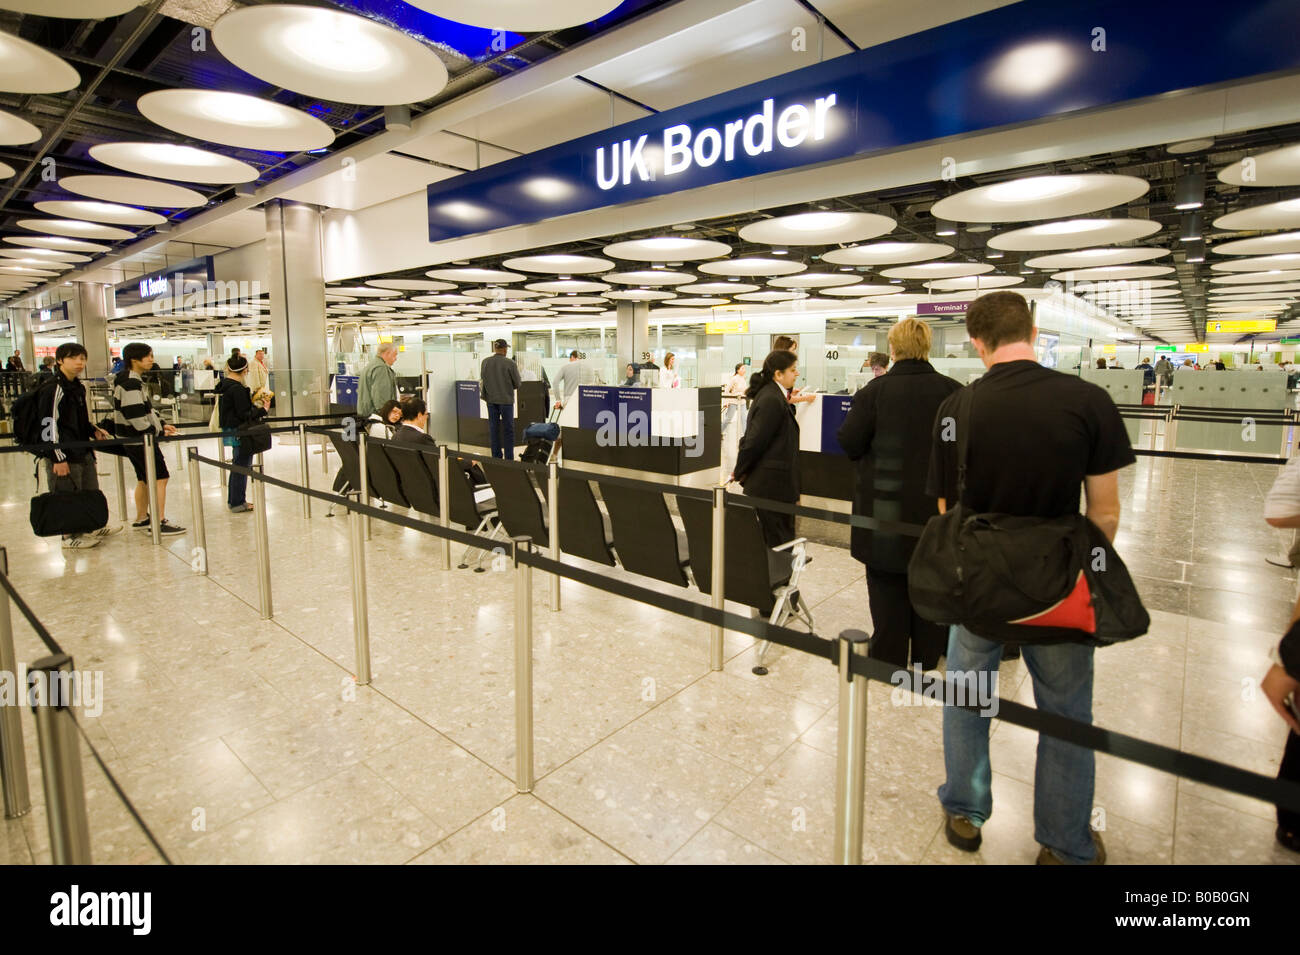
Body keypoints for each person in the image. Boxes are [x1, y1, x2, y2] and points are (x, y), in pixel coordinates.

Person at [926, 291, 1134, 865]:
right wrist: (1077, 573)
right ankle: (1065, 843)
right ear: (1034, 331)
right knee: (1067, 715)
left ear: (976, 340)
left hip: (978, 588)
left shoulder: (955, 409)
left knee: (967, 697)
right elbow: (1107, 512)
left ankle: (965, 812)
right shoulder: (1089, 402)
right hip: (1059, 589)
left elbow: (947, 510)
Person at [838, 319, 961, 671]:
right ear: (927, 348)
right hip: (935, 514)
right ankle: (925, 655)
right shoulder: (953, 392)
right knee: (931, 583)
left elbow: (849, 442)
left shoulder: (874, 393)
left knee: (886, 583)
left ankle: (889, 657)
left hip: (883, 513)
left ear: (892, 350)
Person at [39, 343, 119, 549]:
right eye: (73, 358)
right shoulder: (53, 387)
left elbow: (80, 418)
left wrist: (93, 430)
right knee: (66, 493)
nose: (79, 363)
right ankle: (68, 536)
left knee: (89, 489)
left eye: (82, 358)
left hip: (82, 449)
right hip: (63, 451)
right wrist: (57, 457)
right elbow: (48, 423)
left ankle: (89, 526)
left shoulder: (77, 386)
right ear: (59, 361)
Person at [113, 342, 184, 534]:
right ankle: (159, 522)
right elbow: (135, 416)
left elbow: (145, 410)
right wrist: (156, 432)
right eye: (148, 356)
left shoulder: (130, 380)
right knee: (160, 477)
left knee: (144, 478)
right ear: (134, 360)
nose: (152, 360)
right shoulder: (131, 384)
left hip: (134, 439)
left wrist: (160, 424)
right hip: (140, 440)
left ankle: (142, 517)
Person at [734, 350, 801, 547]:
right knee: (777, 544)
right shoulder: (771, 398)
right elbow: (754, 441)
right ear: (778, 374)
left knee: (776, 543)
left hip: (774, 486)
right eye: (792, 370)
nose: (796, 374)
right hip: (771, 487)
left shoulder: (775, 395)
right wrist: (739, 471)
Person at [215, 354, 269, 513]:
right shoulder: (237, 389)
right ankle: (238, 502)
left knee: (238, 464)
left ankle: (235, 500)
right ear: (245, 370)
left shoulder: (225, 385)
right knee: (242, 465)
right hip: (240, 430)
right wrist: (262, 410)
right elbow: (244, 413)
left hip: (232, 429)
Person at [479, 338, 520, 459]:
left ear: (495, 349)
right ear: (504, 349)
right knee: (508, 430)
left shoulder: (485, 362)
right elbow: (517, 383)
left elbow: (483, 379)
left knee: (493, 429)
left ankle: (496, 456)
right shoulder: (510, 363)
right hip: (506, 401)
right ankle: (509, 458)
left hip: (491, 400)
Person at [356, 343, 399, 419]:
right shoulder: (381, 368)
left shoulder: (371, 365)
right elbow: (381, 397)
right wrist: (386, 415)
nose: (396, 358)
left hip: (366, 415)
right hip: (376, 417)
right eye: (395, 355)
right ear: (387, 353)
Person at [773, 335, 815, 403]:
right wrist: (805, 398)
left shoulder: (778, 365)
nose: (797, 374)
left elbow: (781, 393)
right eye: (793, 350)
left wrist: (791, 392)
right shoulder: (778, 367)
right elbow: (785, 398)